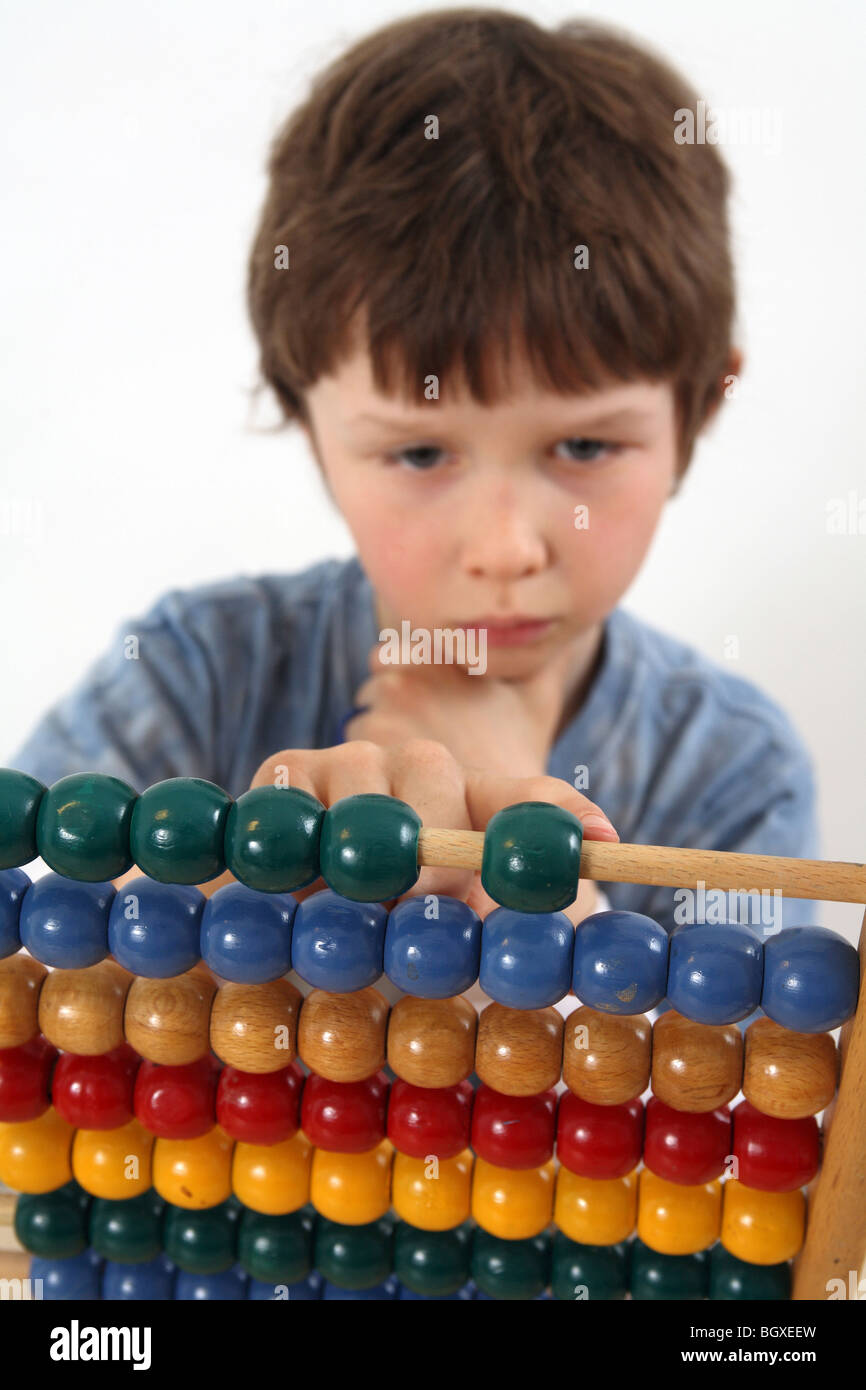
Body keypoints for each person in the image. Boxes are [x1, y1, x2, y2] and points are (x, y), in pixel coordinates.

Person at [6, 10, 820, 940]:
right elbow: (32, 991)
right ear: (307, 426)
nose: (507, 549)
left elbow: (726, 1082)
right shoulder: (195, 677)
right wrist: (269, 899)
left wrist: (522, 871)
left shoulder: (735, 771)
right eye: (422, 453)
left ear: (700, 410)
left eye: (586, 448)